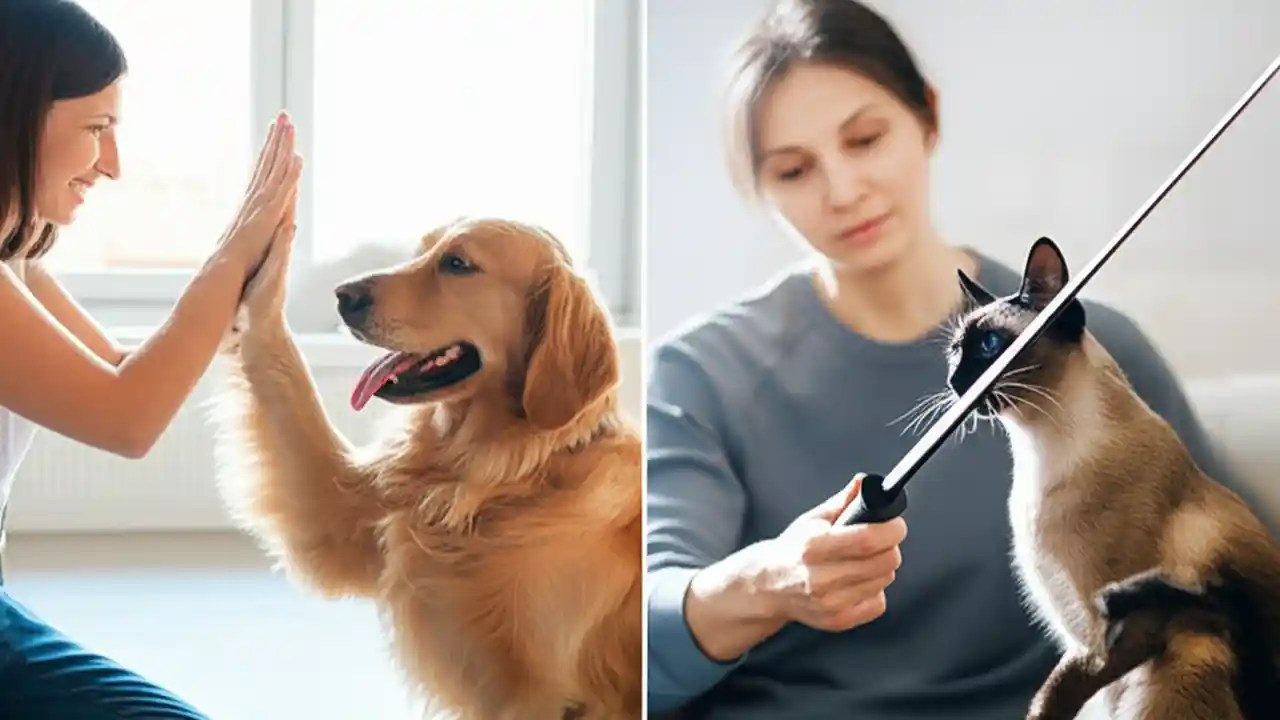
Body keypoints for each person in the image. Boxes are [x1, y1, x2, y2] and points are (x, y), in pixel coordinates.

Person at [644, 1, 1264, 717]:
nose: (843, 191)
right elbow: (640, 650)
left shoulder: (1091, 357)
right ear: (758, 188)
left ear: (928, 118)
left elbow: (1241, 601)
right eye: (793, 171)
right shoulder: (698, 375)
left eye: (866, 138)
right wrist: (761, 585)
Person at [0, 0, 302, 717]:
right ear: (15, 113)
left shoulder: (15, 265)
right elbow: (127, 418)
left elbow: (123, 368)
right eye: (96, 129)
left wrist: (254, 270)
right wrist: (233, 251)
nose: (112, 165)